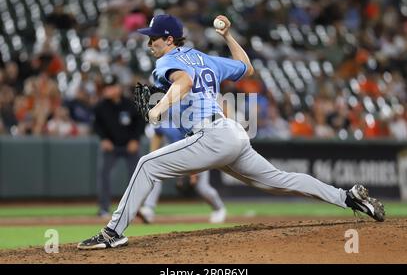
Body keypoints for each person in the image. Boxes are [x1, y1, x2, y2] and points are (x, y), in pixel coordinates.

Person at [78, 14, 385, 249]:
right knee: (281, 180)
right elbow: (246, 68)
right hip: (231, 135)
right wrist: (227, 35)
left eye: (153, 39)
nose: (149, 44)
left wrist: (156, 110)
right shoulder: (203, 57)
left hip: (211, 135)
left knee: (147, 164)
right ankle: (347, 197)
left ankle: (112, 233)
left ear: (169, 39)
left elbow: (183, 82)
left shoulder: (168, 61)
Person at [138, 117, 227, 224]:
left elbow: (196, 145)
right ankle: (148, 210)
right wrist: (151, 156)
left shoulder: (190, 118)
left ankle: (219, 209)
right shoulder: (163, 119)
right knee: (154, 174)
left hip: (198, 153)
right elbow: (157, 135)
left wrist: (193, 174)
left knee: (202, 187)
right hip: (174, 153)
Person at [93, 74, 145, 217]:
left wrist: (135, 140)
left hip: (130, 146)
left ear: (118, 88)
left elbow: (140, 123)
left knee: (137, 176)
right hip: (111, 147)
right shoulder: (100, 107)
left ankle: (135, 209)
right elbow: (97, 125)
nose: (108, 90)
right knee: (104, 175)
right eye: (106, 88)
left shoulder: (130, 104)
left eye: (111, 87)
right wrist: (103, 139)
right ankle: (104, 208)